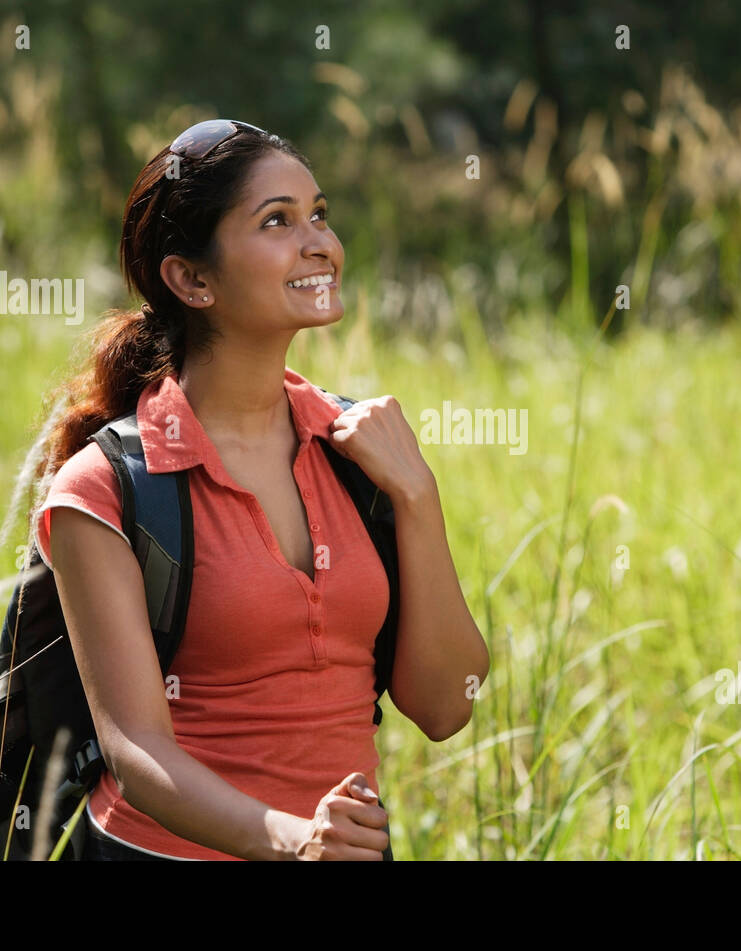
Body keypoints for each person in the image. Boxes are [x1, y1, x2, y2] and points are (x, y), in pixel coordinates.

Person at [30, 119, 490, 860]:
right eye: (277, 220)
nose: (320, 244)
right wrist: (290, 836)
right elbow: (134, 749)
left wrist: (418, 495)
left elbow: (445, 706)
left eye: (319, 215)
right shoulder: (110, 486)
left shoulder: (359, 450)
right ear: (192, 278)